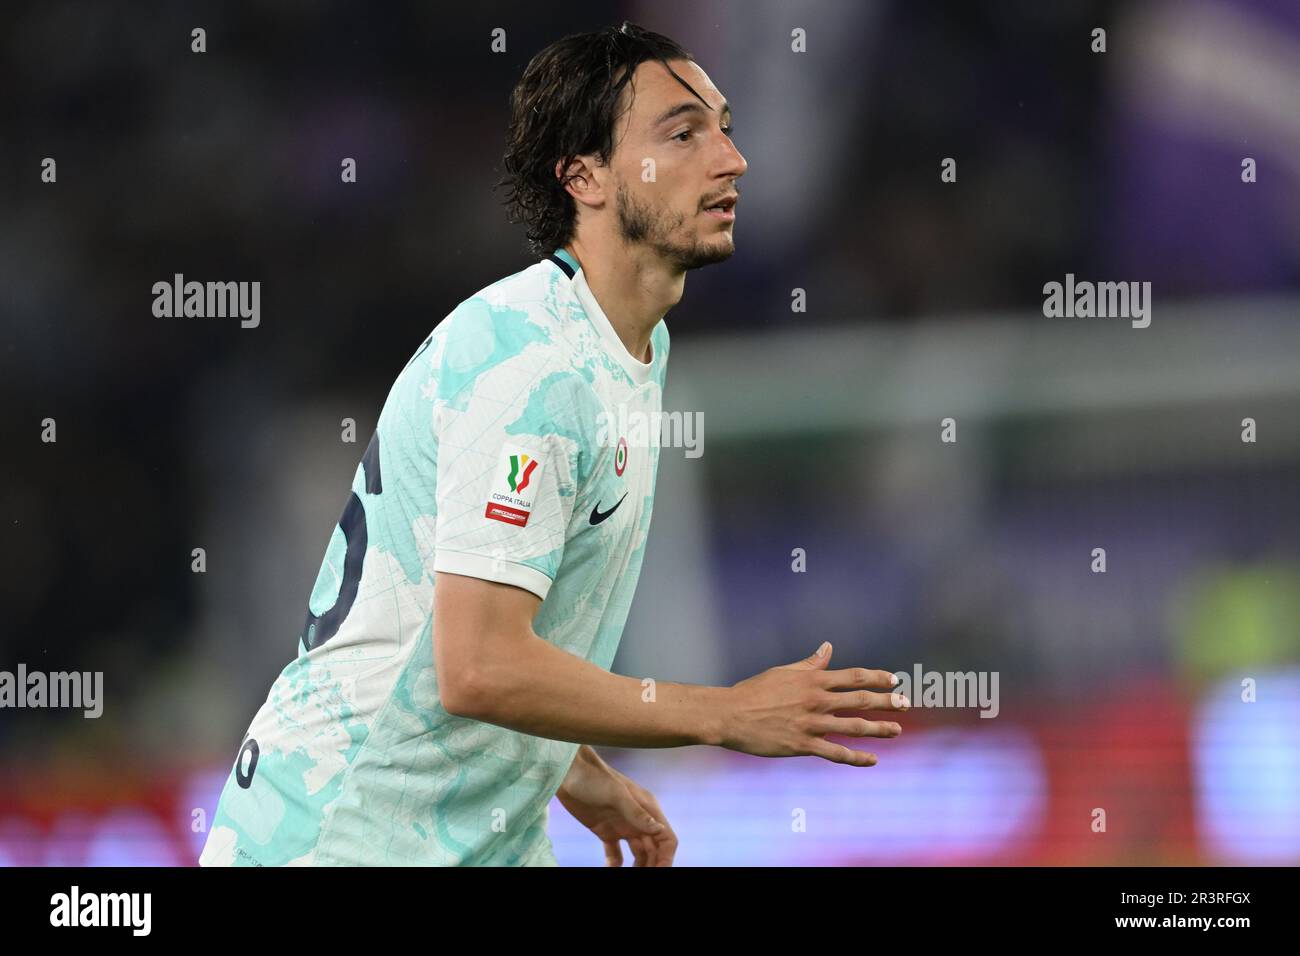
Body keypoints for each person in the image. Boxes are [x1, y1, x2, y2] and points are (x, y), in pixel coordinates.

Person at [200, 21, 904, 868]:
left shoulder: (628, 344)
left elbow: (468, 619)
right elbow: (478, 665)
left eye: (724, 128)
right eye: (683, 134)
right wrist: (725, 714)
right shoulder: (529, 362)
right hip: (342, 837)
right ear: (584, 175)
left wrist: (571, 767)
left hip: (466, 834)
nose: (731, 159)